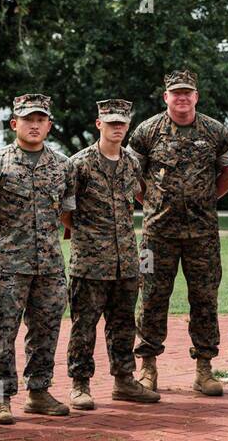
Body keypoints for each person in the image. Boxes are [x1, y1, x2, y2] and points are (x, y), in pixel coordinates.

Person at [128, 70, 228, 396]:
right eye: (176, 93)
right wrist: (149, 199)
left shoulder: (214, 131)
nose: (182, 98)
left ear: (196, 96)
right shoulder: (148, 131)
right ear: (166, 97)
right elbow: (131, 172)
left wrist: (208, 198)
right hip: (156, 234)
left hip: (202, 234)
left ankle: (204, 369)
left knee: (205, 299)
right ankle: (148, 367)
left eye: (187, 93)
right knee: (150, 299)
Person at [0, 93, 75, 424]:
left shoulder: (63, 166)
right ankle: (0, 397)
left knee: (45, 330)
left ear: (49, 125)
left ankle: (39, 392)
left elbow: (66, 211)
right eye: (28, 120)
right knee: (2, 332)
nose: (34, 125)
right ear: (14, 124)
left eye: (41, 120)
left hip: (49, 265)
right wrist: (6, 236)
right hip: (8, 264)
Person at [65, 99, 159, 409]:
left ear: (128, 125)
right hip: (90, 262)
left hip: (126, 262)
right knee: (84, 325)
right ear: (98, 124)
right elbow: (64, 211)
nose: (117, 127)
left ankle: (124, 380)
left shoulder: (132, 163)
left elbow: (139, 198)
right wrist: (86, 236)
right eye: (111, 123)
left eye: (122, 123)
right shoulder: (78, 164)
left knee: (123, 324)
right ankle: (80, 384)